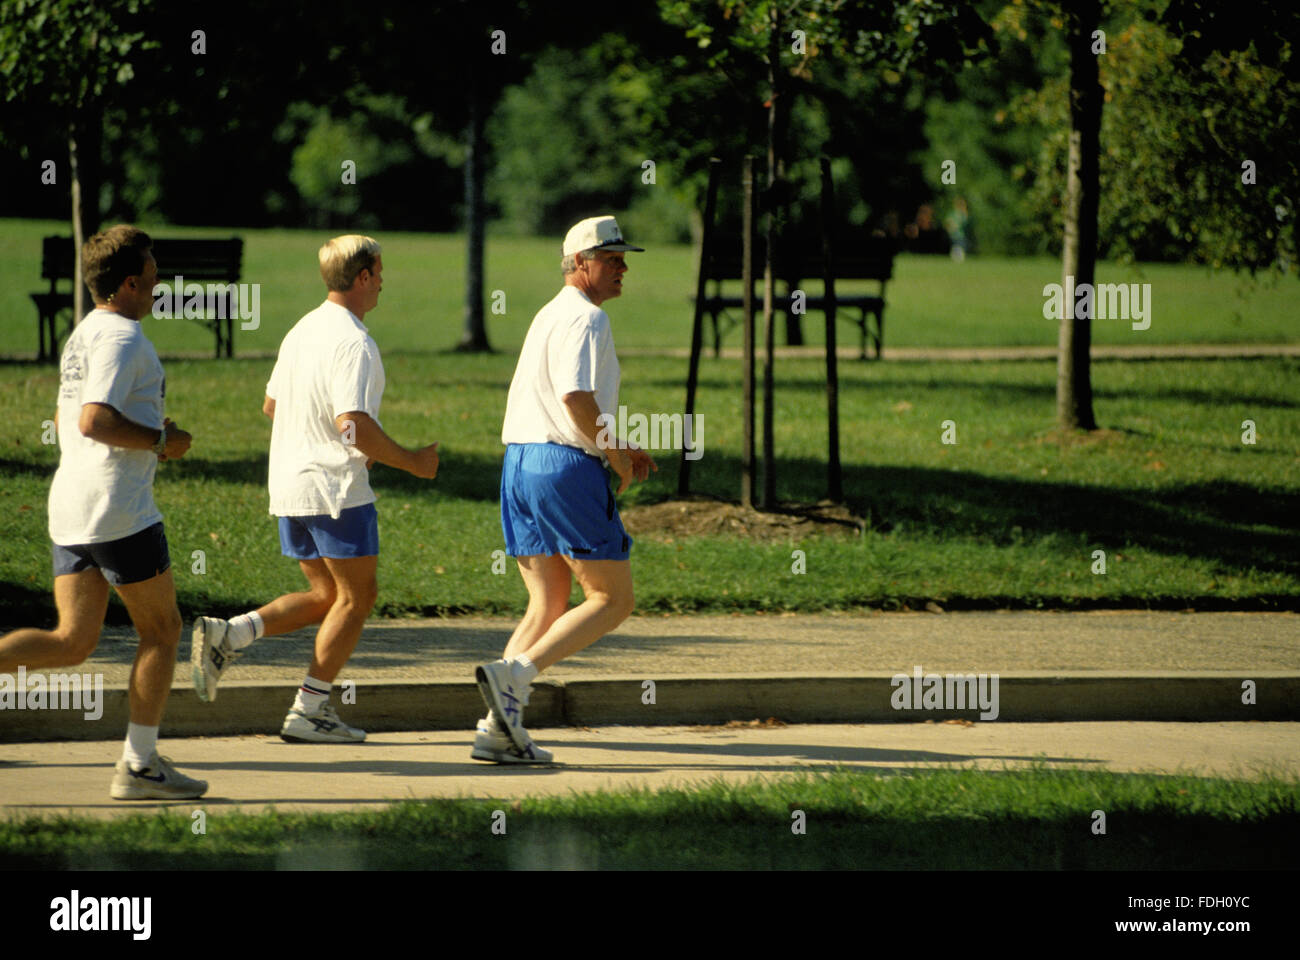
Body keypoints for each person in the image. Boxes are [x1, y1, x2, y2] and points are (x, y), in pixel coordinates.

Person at [191, 235, 439, 743]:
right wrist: (413, 462)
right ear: (364, 276)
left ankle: (230, 634)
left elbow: (272, 406)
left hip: (291, 485)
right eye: (380, 271)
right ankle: (309, 711)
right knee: (357, 596)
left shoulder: (302, 329)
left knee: (327, 594)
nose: (384, 281)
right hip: (335, 489)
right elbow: (351, 423)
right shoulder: (354, 341)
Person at [0, 225, 205, 799]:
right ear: (131, 283)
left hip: (71, 502)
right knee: (162, 630)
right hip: (118, 506)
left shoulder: (85, 333)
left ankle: (141, 765)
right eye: (154, 275)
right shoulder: (123, 339)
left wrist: (144, 430)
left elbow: (73, 423)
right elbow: (93, 419)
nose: (159, 284)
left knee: (70, 641)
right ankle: (140, 767)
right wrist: (161, 442)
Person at [474, 216, 656, 763]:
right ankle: (515, 678)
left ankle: (497, 730)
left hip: (520, 463)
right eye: (612, 258)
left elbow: (557, 399)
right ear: (581, 262)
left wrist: (616, 442)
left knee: (547, 601)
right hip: (563, 466)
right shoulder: (587, 318)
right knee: (612, 599)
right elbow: (576, 398)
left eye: (624, 258)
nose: (623, 267)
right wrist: (615, 454)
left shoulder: (549, 313)